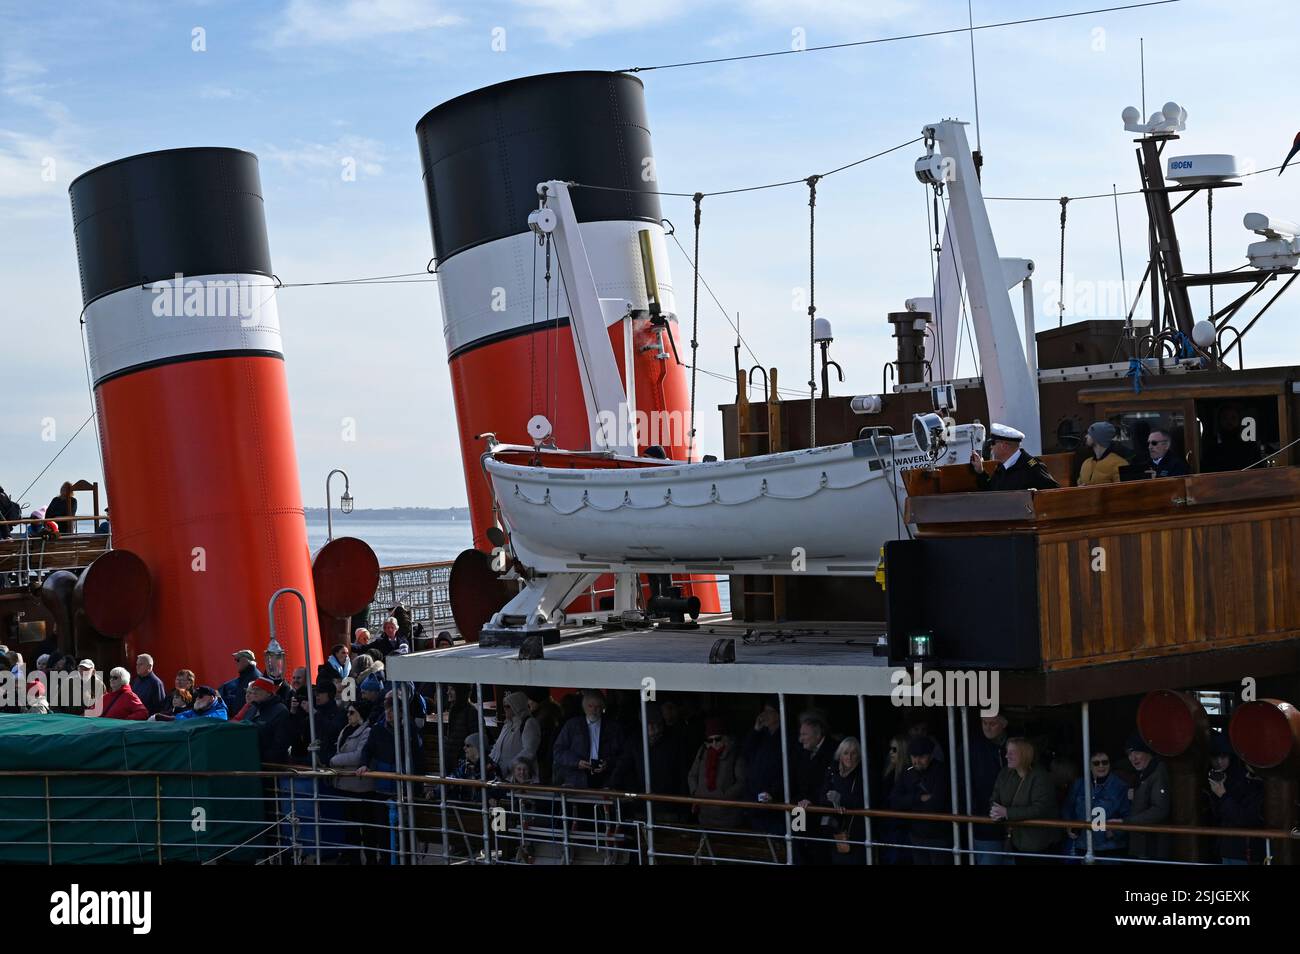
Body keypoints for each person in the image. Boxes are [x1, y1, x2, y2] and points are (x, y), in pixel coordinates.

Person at [990, 737, 1059, 863]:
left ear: (1024, 754)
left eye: (1012, 752)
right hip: (1014, 840)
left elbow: (1040, 808)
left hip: (1039, 843)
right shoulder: (1005, 773)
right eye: (1007, 751)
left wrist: (1007, 813)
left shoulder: (1040, 776)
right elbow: (994, 798)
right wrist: (995, 811)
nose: (1006, 756)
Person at [330, 700, 382, 864]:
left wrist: (334, 760)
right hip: (345, 784)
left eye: (352, 712)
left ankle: (371, 858)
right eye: (348, 712)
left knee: (367, 827)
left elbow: (359, 756)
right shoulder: (346, 729)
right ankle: (353, 857)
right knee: (349, 825)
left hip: (361, 787)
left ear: (361, 714)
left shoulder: (367, 731)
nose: (348, 715)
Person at [889, 735, 951, 864]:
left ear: (931, 755)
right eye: (914, 756)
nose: (917, 760)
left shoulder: (941, 771)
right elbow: (894, 800)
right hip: (916, 835)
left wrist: (909, 803)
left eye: (922, 756)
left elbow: (937, 804)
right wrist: (919, 798)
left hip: (938, 836)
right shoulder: (908, 771)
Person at [1206, 731, 1264, 864]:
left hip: (1243, 849)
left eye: (1223, 757)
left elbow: (1243, 818)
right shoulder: (1215, 777)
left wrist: (1222, 795)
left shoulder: (1247, 781)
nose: (1219, 762)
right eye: (1215, 757)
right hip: (1225, 846)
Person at [552, 689, 630, 789]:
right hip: (576, 779)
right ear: (584, 707)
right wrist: (577, 762)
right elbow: (558, 751)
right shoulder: (572, 725)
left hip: (605, 780)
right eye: (590, 706)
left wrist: (607, 763)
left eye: (597, 707)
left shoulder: (613, 728)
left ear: (603, 708)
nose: (594, 710)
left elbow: (623, 755)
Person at [1063, 747, 1130, 860]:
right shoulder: (1078, 784)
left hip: (1110, 847)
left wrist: (1115, 832)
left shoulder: (1120, 786)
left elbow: (1128, 814)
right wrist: (1069, 826)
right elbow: (1068, 808)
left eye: (1105, 762)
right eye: (1096, 763)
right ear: (1089, 766)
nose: (1101, 766)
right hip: (1083, 845)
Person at [686, 718, 746, 830]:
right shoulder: (703, 752)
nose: (714, 743)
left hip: (728, 815)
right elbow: (692, 774)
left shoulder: (735, 753)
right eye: (710, 740)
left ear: (725, 737)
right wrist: (696, 793)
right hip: (704, 814)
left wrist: (724, 797)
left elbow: (742, 781)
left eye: (717, 739)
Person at [792, 712, 836, 864]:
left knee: (820, 853)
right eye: (800, 734)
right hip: (800, 809)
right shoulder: (803, 751)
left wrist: (812, 800)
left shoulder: (833, 751)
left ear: (818, 734)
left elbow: (831, 783)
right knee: (798, 846)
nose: (800, 739)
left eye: (804, 734)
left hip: (822, 811)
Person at [968, 714, 1011, 864]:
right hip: (984, 821)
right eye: (984, 722)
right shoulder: (973, 747)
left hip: (1016, 825)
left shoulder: (1015, 746)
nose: (987, 727)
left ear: (1004, 724)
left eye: (992, 723)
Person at [818, 737, 866, 864]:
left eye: (853, 753)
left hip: (855, 832)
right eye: (845, 753)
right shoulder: (832, 773)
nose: (849, 757)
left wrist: (841, 800)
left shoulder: (863, 774)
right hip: (834, 831)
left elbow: (863, 800)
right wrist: (833, 801)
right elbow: (822, 798)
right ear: (840, 755)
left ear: (858, 755)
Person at [740, 699, 786, 835]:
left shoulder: (785, 737)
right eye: (764, 711)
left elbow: (787, 770)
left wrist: (773, 792)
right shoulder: (761, 735)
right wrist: (756, 730)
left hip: (773, 799)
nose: (765, 715)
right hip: (754, 796)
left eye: (769, 712)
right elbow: (745, 752)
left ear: (779, 714)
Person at [971, 424, 1058, 492]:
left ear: (1004, 446)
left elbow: (1054, 492)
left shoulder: (1032, 467)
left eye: (993, 443)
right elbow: (991, 491)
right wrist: (980, 471)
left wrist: (1034, 496)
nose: (991, 447)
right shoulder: (1001, 467)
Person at [1125, 734, 1170, 861]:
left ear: (1148, 752)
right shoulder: (1142, 773)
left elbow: (1160, 810)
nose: (1133, 758)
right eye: (1129, 754)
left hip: (1152, 846)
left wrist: (1127, 822)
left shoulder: (1158, 773)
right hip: (1142, 845)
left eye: (1137, 752)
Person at [877, 733, 912, 864]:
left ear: (903, 751)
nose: (891, 752)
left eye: (895, 749)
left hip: (901, 829)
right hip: (887, 827)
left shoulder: (909, 773)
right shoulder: (889, 772)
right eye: (890, 749)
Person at [244, 677, 296, 763]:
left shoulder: (281, 711)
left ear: (268, 693)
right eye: (253, 689)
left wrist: (262, 759)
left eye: (258, 689)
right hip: (250, 760)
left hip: (270, 765)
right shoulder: (252, 709)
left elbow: (281, 744)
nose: (254, 692)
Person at [490, 691, 540, 775]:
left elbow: (529, 751)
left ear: (517, 706)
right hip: (500, 775)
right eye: (504, 706)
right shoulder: (507, 724)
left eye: (507, 706)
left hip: (518, 776)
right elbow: (497, 745)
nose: (504, 709)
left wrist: (509, 767)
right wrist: (491, 762)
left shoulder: (529, 723)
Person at [524, 687, 562, 784]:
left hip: (544, 763)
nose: (528, 702)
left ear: (537, 699)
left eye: (530, 699)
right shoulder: (552, 710)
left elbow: (541, 745)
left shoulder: (542, 718)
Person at [1077, 421, 1126, 486]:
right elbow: (1079, 484)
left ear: (1097, 437)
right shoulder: (1086, 463)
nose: (1086, 436)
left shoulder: (1119, 464)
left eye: (1089, 433)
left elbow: (1123, 490)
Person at [219, 649, 262, 716]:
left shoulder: (253, 678)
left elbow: (241, 702)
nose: (236, 663)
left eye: (237, 660)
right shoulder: (246, 676)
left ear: (245, 660)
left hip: (245, 718)